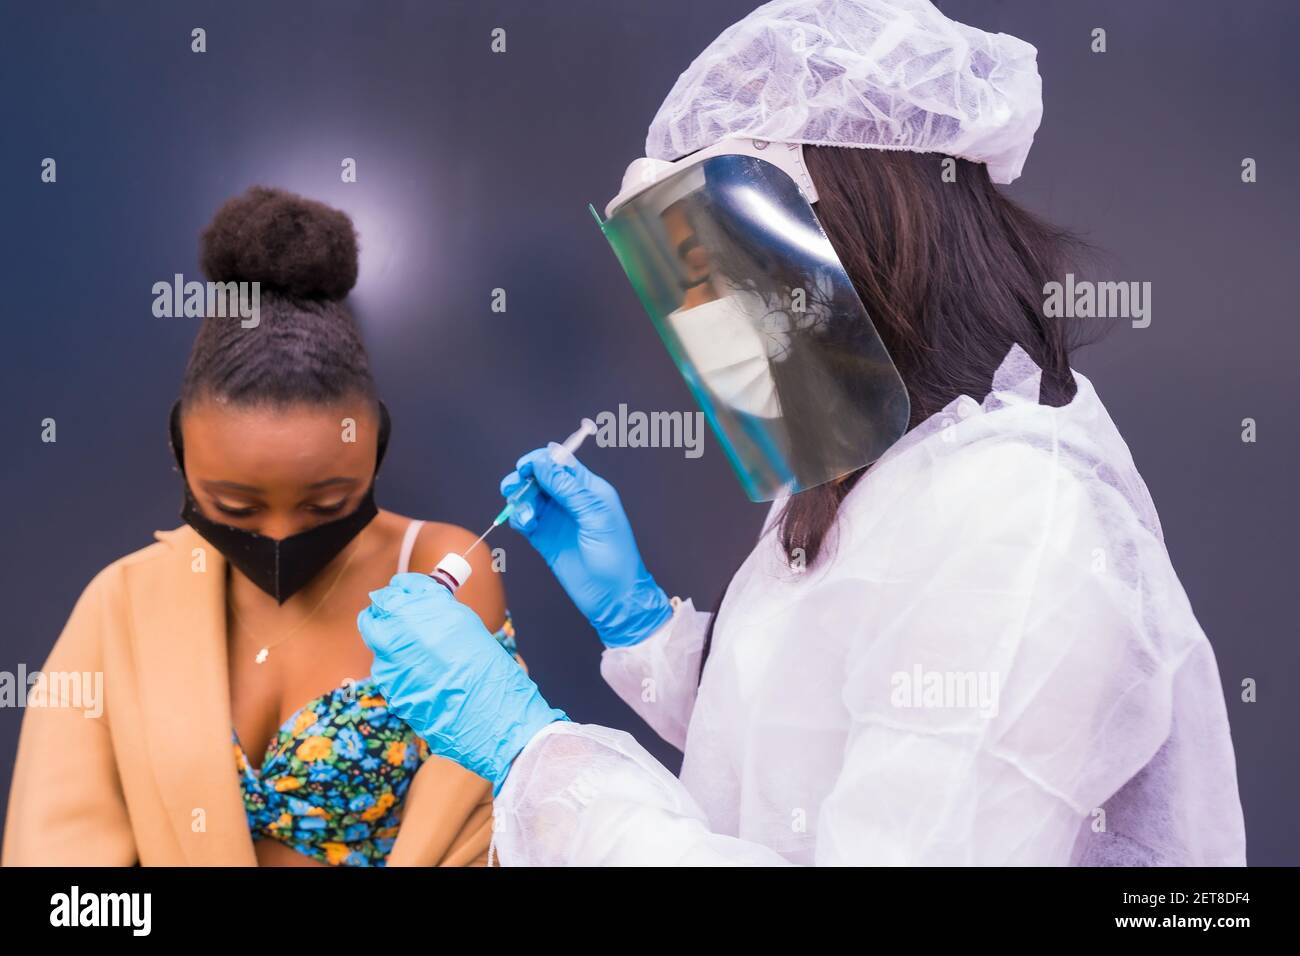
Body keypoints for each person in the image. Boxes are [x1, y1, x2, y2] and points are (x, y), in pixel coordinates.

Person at [358, 0, 1247, 865]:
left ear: (868, 229)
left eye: (725, 270)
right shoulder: (883, 470)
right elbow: (804, 742)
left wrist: (534, 757)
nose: (711, 331)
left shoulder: (1021, 527)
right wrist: (641, 629)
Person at [3, 187, 518, 867]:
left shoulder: (444, 572)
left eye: (326, 504)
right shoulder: (123, 605)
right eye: (236, 508)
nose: (278, 536)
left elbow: (488, 825)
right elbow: (61, 885)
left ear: (376, 448)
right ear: (180, 452)